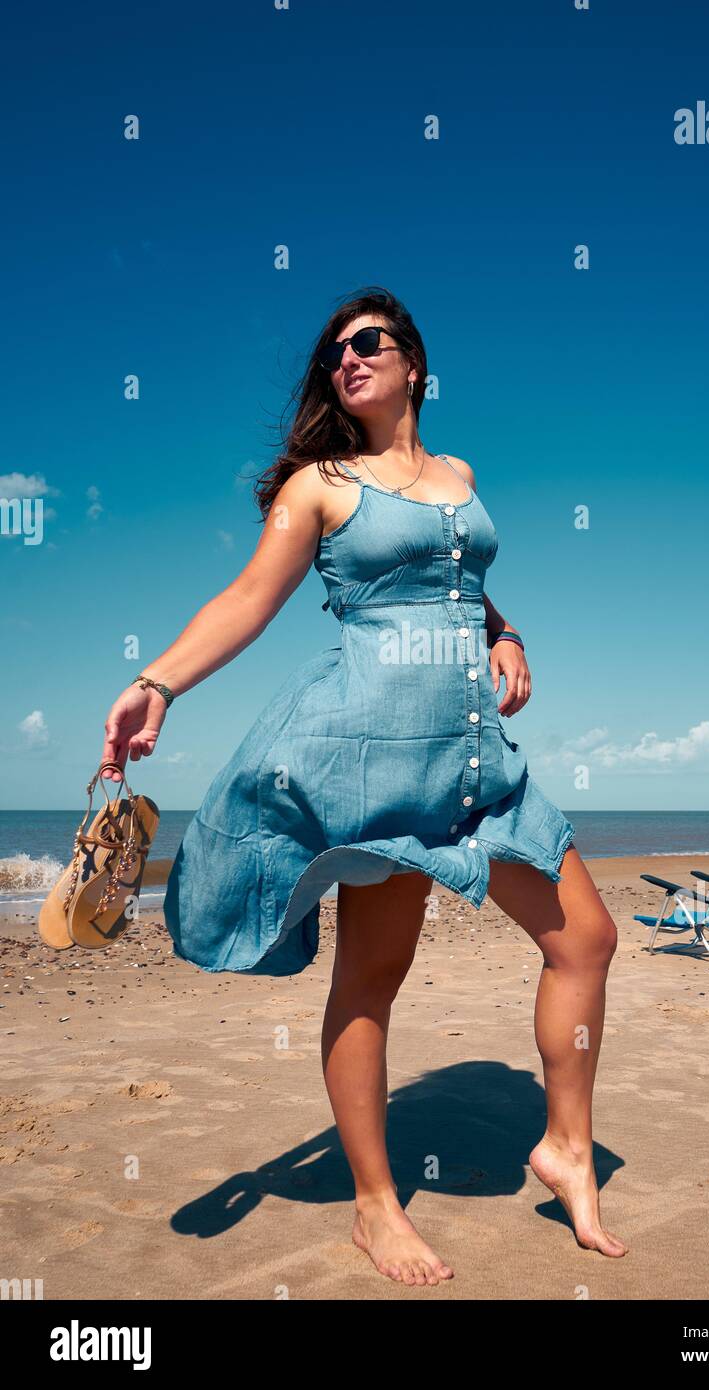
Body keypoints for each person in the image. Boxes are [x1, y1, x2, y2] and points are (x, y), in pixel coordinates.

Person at [101, 286, 626, 1284]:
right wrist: (155, 680)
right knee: (370, 983)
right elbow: (248, 600)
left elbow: (457, 578)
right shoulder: (319, 484)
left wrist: (502, 630)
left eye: (366, 341)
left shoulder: (458, 476)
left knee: (586, 937)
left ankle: (563, 1145)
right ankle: (376, 1207)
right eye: (334, 350)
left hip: (476, 766)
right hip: (375, 765)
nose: (347, 357)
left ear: (414, 362)